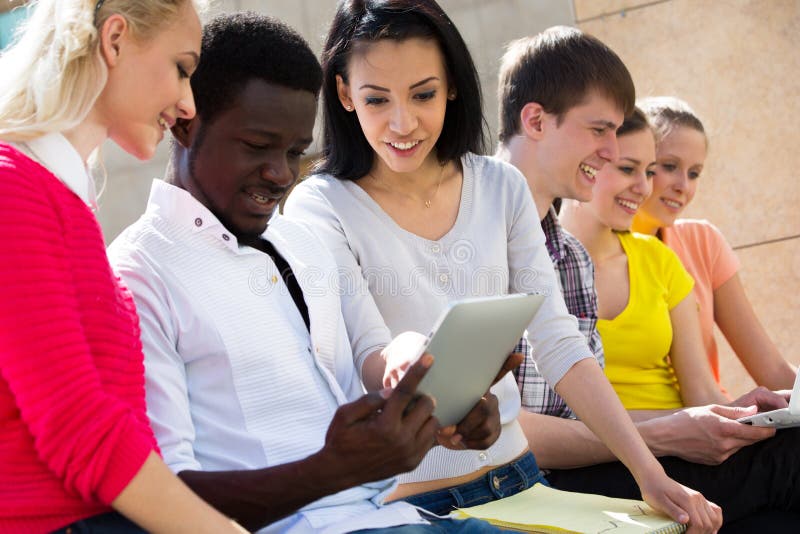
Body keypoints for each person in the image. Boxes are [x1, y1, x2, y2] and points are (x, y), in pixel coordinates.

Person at [283, 2, 719, 530]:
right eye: (377, 99)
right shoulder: (320, 204)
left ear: (452, 87)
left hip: (522, 481)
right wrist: (405, 360)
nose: (403, 123)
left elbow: (560, 343)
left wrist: (649, 474)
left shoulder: (500, 185)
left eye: (423, 94)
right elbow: (365, 351)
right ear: (346, 94)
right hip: (415, 505)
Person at [108, 12, 505, 534]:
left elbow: (355, 401)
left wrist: (433, 417)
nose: (279, 174)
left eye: (295, 152)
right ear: (185, 120)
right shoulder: (137, 276)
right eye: (256, 147)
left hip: (399, 516)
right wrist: (334, 470)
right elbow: (165, 498)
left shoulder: (301, 240)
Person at [494, 29, 800, 529]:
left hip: (580, 466)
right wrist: (662, 439)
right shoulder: (473, 230)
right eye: (600, 131)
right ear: (536, 121)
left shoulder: (565, 255)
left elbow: (584, 410)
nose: (611, 151)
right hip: (531, 480)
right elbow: (503, 432)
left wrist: (697, 426)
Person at [0, 1, 246, 532]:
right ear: (114, 40)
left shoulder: (61, 200)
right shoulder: (12, 189)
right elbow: (78, 426)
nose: (187, 104)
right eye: (182, 68)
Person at [558, 109, 729, 410]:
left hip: (687, 440)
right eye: (627, 169)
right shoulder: (530, 263)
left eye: (649, 172)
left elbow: (702, 392)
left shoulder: (659, 259)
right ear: (583, 165)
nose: (644, 188)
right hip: (601, 447)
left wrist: (752, 415)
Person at [631, 96, 795, 392]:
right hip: (652, 428)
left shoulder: (703, 241)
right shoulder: (595, 255)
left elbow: (773, 371)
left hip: (718, 420)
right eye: (669, 166)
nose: (684, 186)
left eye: (694, 173)